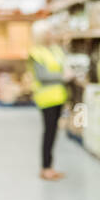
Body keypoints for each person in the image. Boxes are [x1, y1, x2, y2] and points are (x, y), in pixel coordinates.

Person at [28, 24, 69, 180]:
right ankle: (45, 168)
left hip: (59, 96)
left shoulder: (56, 50)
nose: (51, 34)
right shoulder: (36, 53)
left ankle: (50, 167)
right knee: (49, 133)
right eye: (48, 32)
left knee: (53, 133)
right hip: (46, 99)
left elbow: (63, 64)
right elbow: (42, 76)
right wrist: (62, 77)